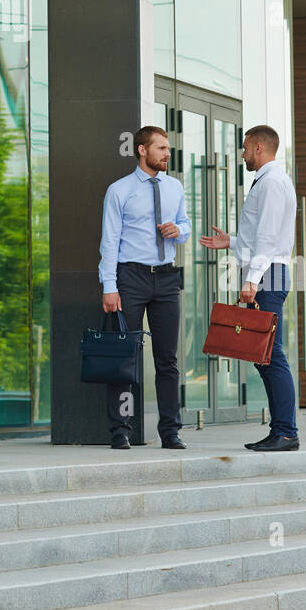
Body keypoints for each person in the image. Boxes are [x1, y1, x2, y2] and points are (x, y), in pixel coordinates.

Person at [200, 124, 299, 452]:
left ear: (259, 148)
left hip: (268, 276)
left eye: (245, 148)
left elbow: (269, 238)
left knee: (271, 356)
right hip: (269, 272)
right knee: (264, 355)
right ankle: (281, 430)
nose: (242, 154)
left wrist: (250, 279)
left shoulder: (270, 183)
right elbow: (262, 236)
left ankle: (286, 432)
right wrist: (233, 242)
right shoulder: (271, 181)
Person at [99, 125, 191, 449]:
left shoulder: (175, 187)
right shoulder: (119, 190)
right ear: (142, 150)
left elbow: (186, 226)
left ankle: (170, 431)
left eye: (168, 148)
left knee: (167, 359)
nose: (167, 153)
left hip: (166, 277)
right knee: (124, 357)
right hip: (130, 278)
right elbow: (109, 242)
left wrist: (176, 230)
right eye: (161, 148)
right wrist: (109, 286)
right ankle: (120, 430)